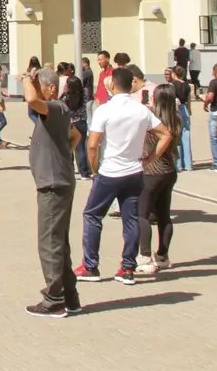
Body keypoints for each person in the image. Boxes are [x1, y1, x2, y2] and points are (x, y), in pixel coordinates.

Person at [75, 66, 159, 285]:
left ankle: (90, 266)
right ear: (132, 84)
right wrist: (150, 157)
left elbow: (92, 145)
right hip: (134, 172)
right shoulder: (141, 110)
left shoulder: (105, 110)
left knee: (92, 215)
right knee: (130, 219)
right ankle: (127, 268)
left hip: (110, 171)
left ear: (112, 84)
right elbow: (166, 133)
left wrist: (94, 170)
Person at [21, 66, 81, 317]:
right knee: (59, 242)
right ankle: (70, 296)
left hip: (53, 186)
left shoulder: (55, 107)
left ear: (52, 88)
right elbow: (75, 135)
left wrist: (25, 79)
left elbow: (31, 99)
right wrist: (63, 153)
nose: (35, 90)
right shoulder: (57, 113)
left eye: (39, 85)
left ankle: (54, 299)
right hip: (56, 181)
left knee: (49, 243)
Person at [136, 85, 180, 277]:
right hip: (169, 170)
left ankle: (145, 256)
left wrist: (148, 158)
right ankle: (162, 255)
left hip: (151, 171)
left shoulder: (152, 119)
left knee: (142, 214)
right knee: (163, 215)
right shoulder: (175, 119)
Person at [59, 61, 91, 179]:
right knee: (81, 148)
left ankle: (70, 170)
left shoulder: (66, 98)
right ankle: (84, 172)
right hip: (82, 122)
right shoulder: (84, 94)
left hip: (70, 124)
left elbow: (61, 106)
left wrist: (63, 93)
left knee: (69, 148)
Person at [167, 66, 194, 172]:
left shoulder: (172, 85)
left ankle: (178, 165)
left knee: (177, 138)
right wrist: (189, 110)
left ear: (174, 74)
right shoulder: (187, 85)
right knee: (186, 137)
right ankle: (188, 164)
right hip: (184, 109)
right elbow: (188, 100)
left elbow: (171, 99)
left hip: (176, 109)